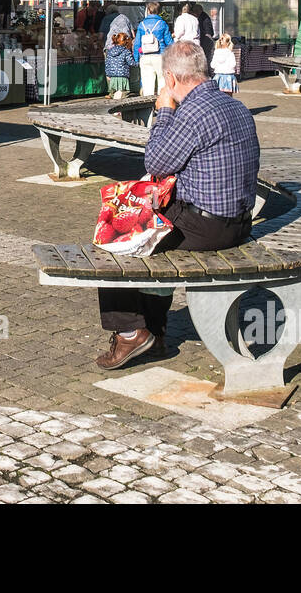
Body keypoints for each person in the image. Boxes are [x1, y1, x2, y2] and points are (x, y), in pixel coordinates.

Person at [95, 42, 260, 370]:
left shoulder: (192, 112)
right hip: (240, 222)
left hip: (208, 226)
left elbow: (156, 161)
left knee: (118, 235)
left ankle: (130, 332)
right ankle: (154, 334)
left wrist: (165, 111)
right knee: (154, 228)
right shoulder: (235, 105)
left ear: (169, 78)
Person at [133, 1, 173, 97]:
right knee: (162, 82)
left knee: (147, 85)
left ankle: (148, 105)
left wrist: (136, 58)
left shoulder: (142, 24)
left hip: (145, 56)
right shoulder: (162, 24)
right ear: (158, 11)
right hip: (160, 56)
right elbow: (169, 42)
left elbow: (137, 43)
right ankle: (161, 104)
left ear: (148, 11)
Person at [104, 31, 133, 99]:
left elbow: (107, 64)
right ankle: (120, 94)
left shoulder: (110, 51)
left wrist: (108, 74)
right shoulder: (126, 51)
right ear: (125, 41)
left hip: (113, 77)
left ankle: (113, 94)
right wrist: (138, 63)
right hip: (123, 76)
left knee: (113, 91)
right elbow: (131, 62)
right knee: (124, 92)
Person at [195, 3, 215, 68]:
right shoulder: (204, 16)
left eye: (196, 11)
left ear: (199, 10)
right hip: (207, 36)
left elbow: (202, 29)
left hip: (206, 37)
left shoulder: (202, 17)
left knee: (205, 56)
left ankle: (206, 70)